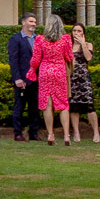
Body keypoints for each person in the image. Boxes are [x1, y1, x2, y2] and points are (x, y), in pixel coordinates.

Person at [27, 15, 74, 147]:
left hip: (45, 71)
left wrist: (31, 70)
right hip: (59, 71)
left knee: (47, 104)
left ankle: (50, 134)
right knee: (63, 104)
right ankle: (66, 136)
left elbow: (35, 60)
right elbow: (69, 56)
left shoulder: (40, 39)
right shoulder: (65, 39)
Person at [7, 11, 43, 142]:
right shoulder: (15, 39)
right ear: (23, 22)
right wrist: (17, 78)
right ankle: (18, 133)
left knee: (34, 108)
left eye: (34, 22)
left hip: (36, 79)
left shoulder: (38, 39)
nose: (33, 24)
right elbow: (13, 60)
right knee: (19, 107)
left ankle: (34, 133)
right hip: (22, 80)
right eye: (31, 21)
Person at [67, 21, 100, 145]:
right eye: (74, 30)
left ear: (83, 33)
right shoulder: (68, 46)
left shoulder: (88, 44)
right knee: (74, 107)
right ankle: (76, 132)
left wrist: (82, 44)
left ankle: (96, 132)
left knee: (89, 107)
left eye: (79, 31)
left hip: (84, 79)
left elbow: (88, 58)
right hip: (72, 79)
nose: (76, 33)